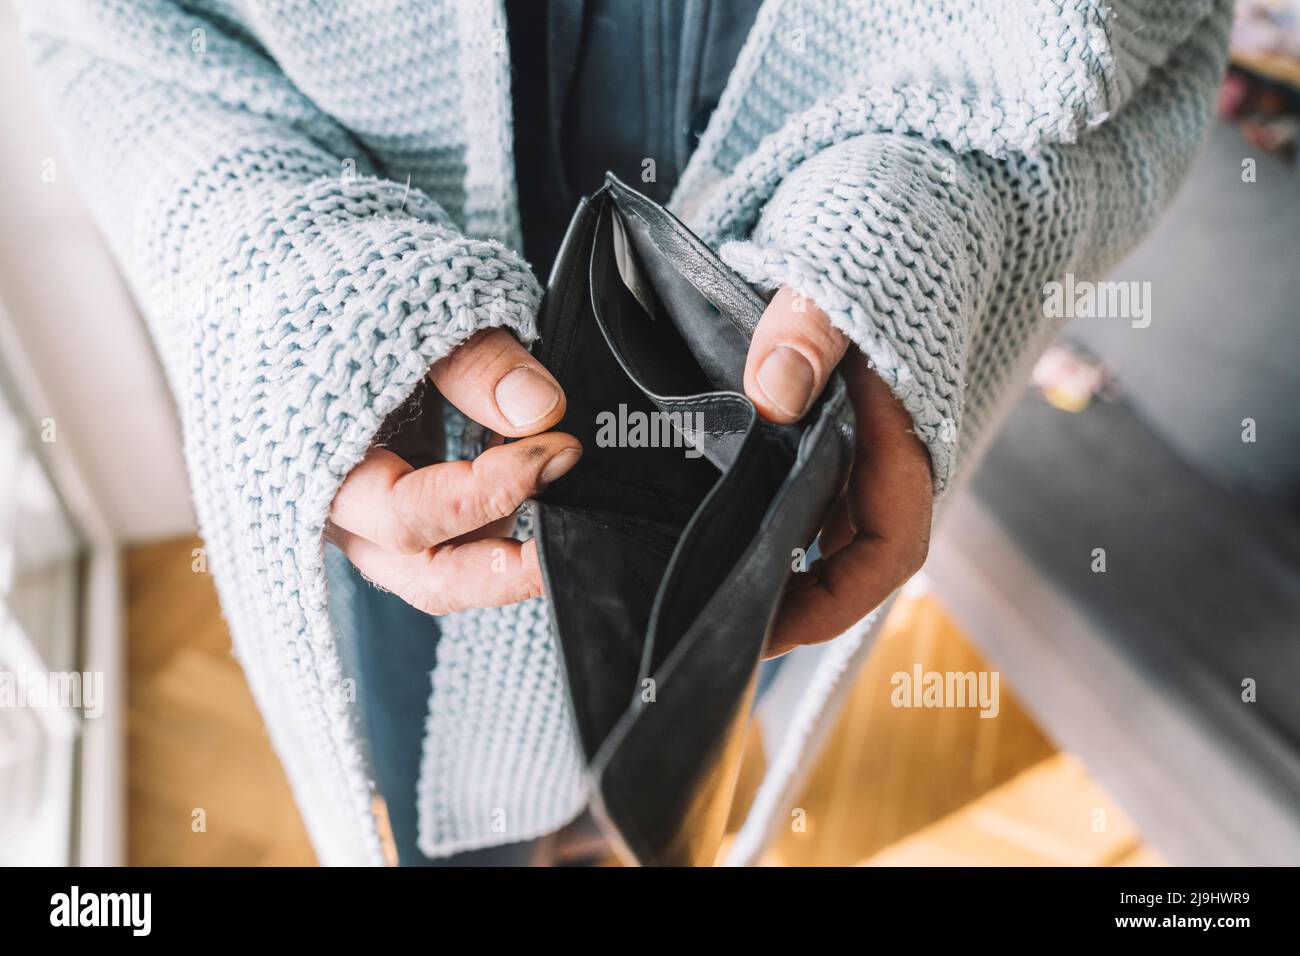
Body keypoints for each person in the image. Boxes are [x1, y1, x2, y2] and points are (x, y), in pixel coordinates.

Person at [18, 0, 1233, 865]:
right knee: (462, 807)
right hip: (408, 464)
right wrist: (294, 273)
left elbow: (1155, 36)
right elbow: (103, 35)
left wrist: (924, 235)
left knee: (684, 755)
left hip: (785, 471)